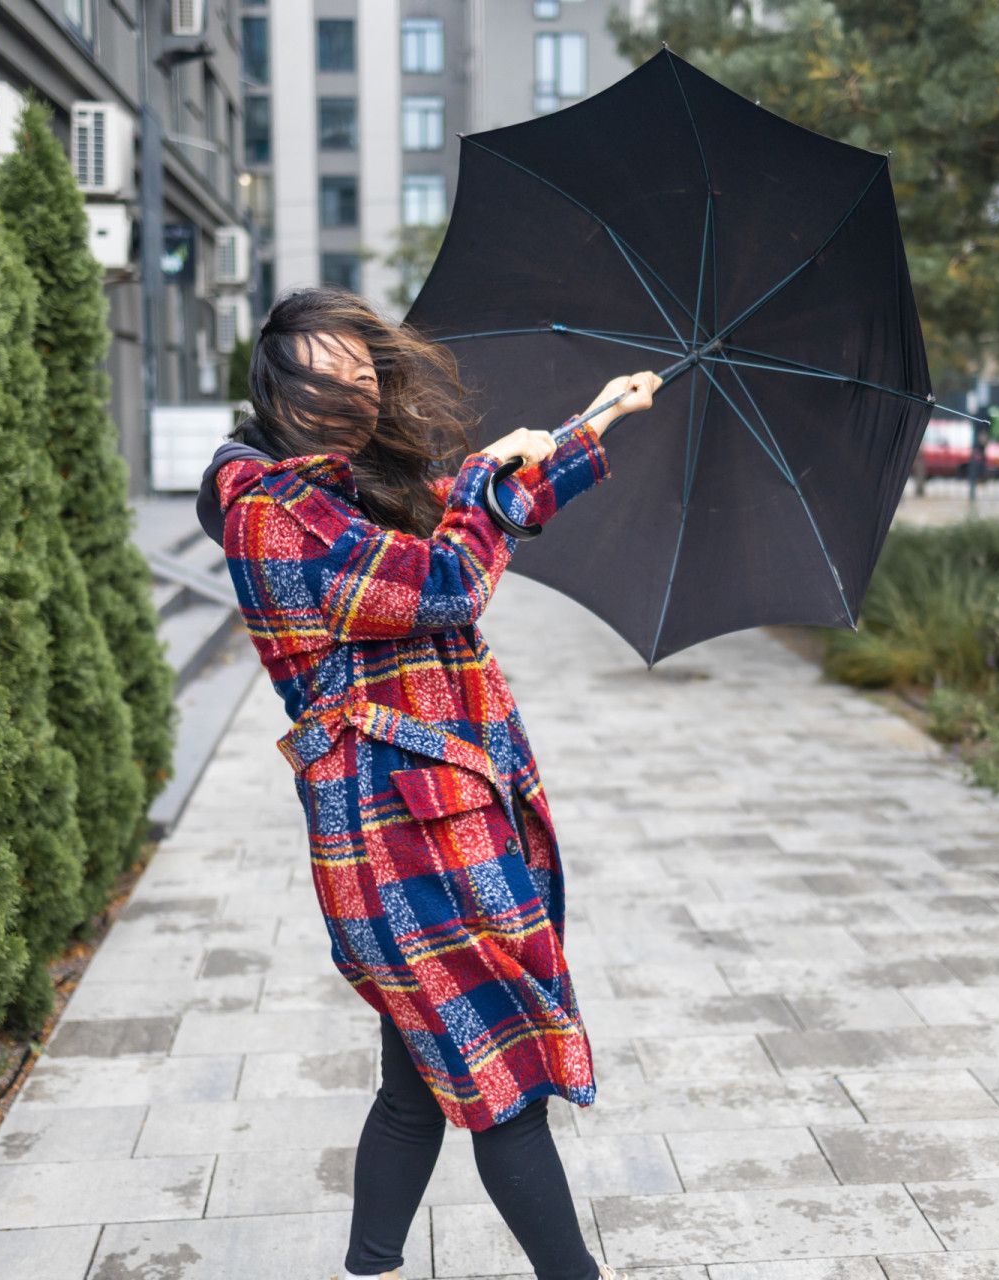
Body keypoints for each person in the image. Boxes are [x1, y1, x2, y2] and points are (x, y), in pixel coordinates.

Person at [199, 287, 662, 1280]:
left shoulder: (341, 498)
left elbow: (460, 523)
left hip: (443, 824)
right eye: (329, 370)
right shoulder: (272, 515)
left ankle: (369, 1266)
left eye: (366, 374)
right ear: (279, 382)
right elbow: (441, 580)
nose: (352, 390)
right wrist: (490, 479)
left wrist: (593, 421)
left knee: (415, 1090)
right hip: (400, 843)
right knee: (507, 1077)